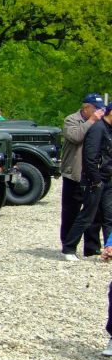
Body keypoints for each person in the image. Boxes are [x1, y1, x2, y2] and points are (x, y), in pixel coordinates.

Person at [61, 93, 106, 260]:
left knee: (95, 212)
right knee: (71, 211)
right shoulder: (71, 120)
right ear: (86, 107)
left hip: (92, 174)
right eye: (96, 109)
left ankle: (92, 247)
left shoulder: (100, 123)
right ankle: (67, 245)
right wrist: (92, 121)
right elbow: (75, 136)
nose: (99, 112)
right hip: (74, 172)